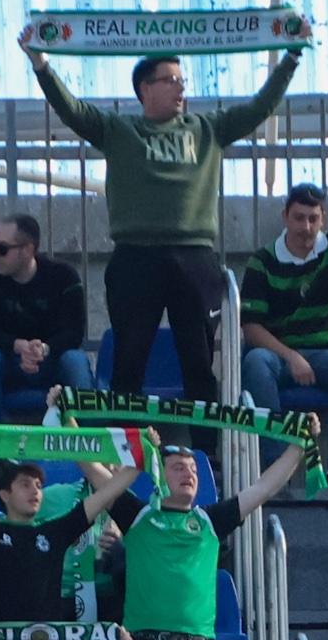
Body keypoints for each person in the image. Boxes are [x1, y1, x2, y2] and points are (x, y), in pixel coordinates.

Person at [24, 30, 303, 404]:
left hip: (194, 256)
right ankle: (125, 453)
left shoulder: (208, 129)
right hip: (135, 257)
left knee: (199, 361)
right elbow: (71, 108)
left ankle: (206, 456)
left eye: (182, 81)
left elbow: (259, 107)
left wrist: (291, 57)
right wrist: (41, 63)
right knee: (129, 361)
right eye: (170, 80)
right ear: (145, 89)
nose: (180, 89)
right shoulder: (118, 130)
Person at [240, 184, 328, 484]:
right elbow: (251, 328)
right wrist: (291, 357)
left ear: (323, 219)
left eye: (313, 219)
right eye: (299, 218)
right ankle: (275, 466)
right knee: (255, 363)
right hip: (279, 355)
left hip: (327, 353)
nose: (306, 227)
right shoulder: (262, 262)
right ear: (285, 217)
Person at [0, 212, 90, 419]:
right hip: (5, 360)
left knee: (75, 360)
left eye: (2, 249)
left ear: (28, 250)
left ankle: (91, 442)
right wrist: (17, 346)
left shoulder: (64, 276)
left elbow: (74, 332)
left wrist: (43, 349)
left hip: (52, 359)